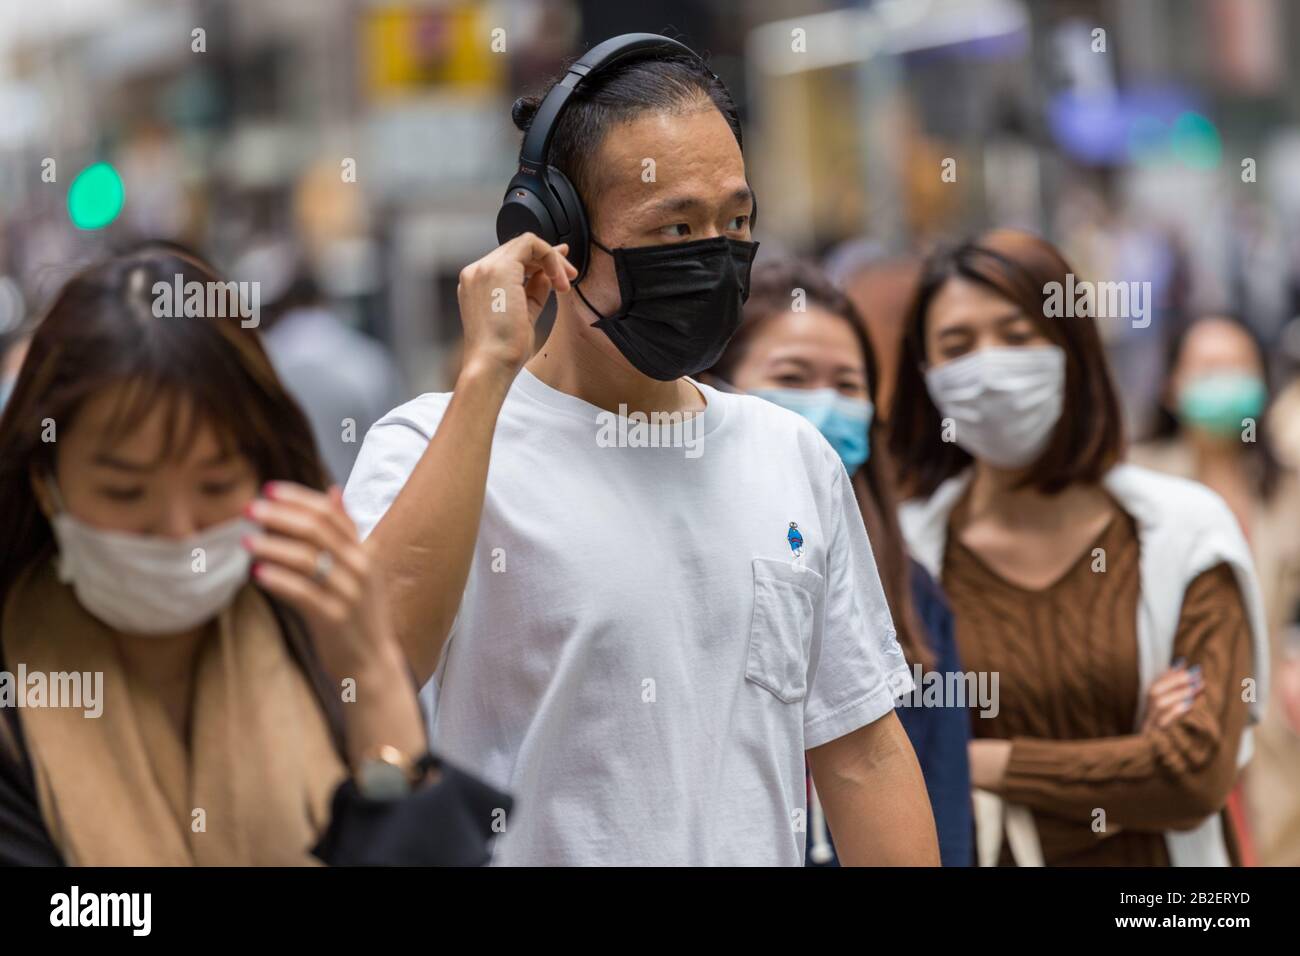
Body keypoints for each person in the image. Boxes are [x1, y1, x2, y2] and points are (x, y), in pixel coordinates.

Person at [344, 35, 936, 866]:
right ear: (558, 238)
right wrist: (485, 376)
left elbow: (864, 755)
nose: (716, 252)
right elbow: (374, 669)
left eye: (736, 220)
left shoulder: (790, 454)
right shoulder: (428, 443)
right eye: (676, 226)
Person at [0, 247, 507, 866]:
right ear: (44, 484)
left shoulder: (320, 647)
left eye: (215, 487)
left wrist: (376, 679)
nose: (178, 531)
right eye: (125, 492)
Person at [889, 229, 1270, 866]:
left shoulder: (1187, 532)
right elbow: (893, 771)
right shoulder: (907, 558)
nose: (990, 366)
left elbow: (1193, 775)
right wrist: (1127, 768)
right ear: (928, 377)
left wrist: (978, 760)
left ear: (1072, 349)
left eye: (1016, 335)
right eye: (958, 345)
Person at [707, 257, 973, 866]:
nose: (822, 406)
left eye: (848, 386)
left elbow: (946, 824)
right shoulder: (691, 571)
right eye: (793, 376)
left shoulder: (917, 596)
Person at [1132, 313, 1300, 866]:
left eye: (1236, 368)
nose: (1222, 383)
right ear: (1172, 385)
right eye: (1207, 368)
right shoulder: (1135, 487)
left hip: (1276, 729)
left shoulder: (1286, 488)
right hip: (1163, 721)